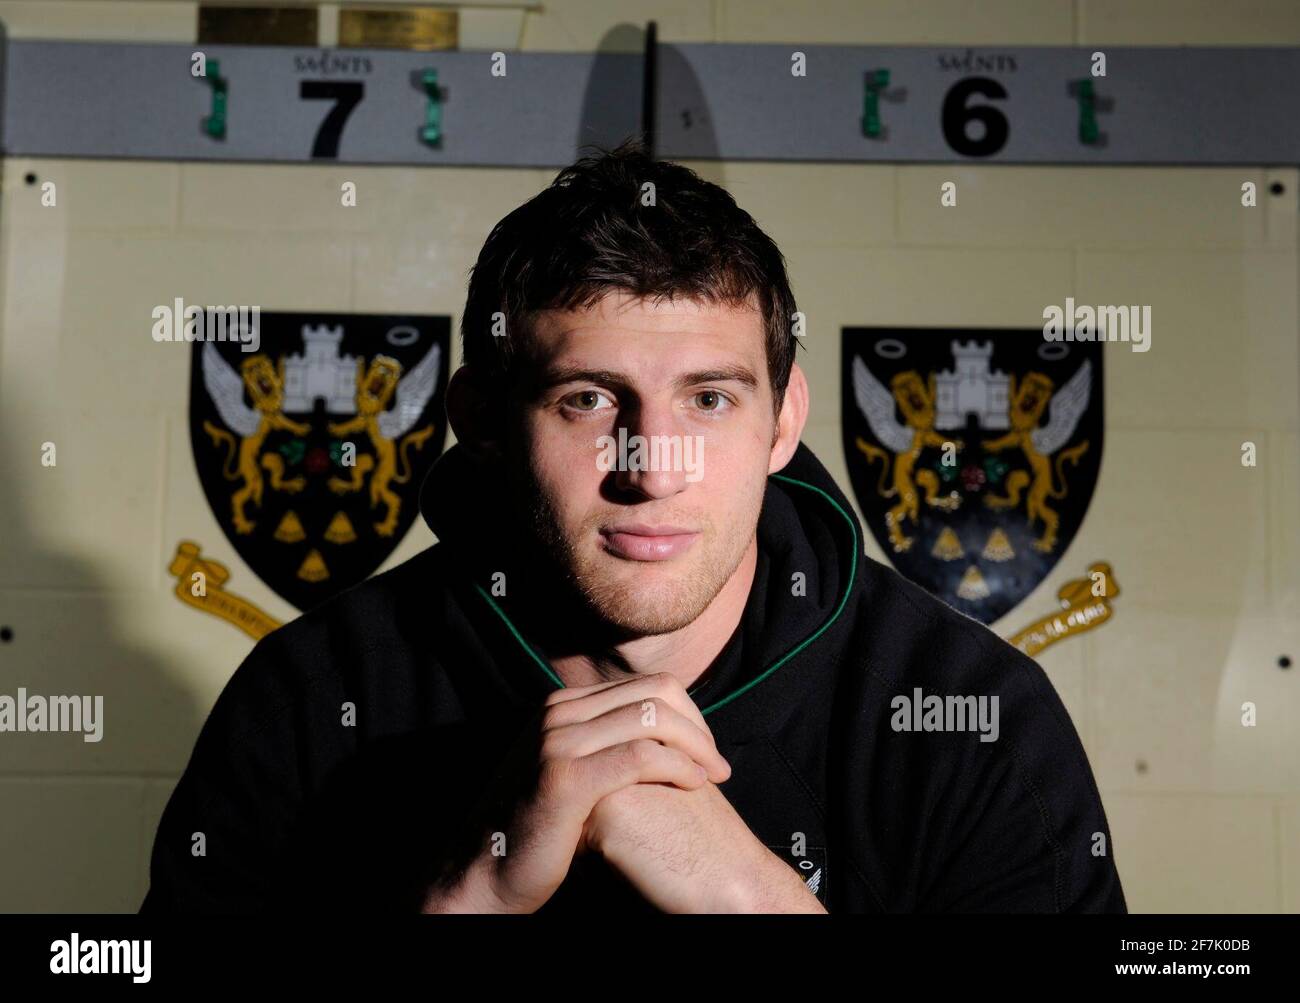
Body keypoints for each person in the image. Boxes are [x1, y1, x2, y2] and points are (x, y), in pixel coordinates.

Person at [141, 139, 1126, 914]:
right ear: (481, 420)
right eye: (587, 400)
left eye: (708, 399)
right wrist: (464, 901)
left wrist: (756, 901)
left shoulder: (970, 718)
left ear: (783, 421)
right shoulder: (313, 699)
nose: (653, 467)